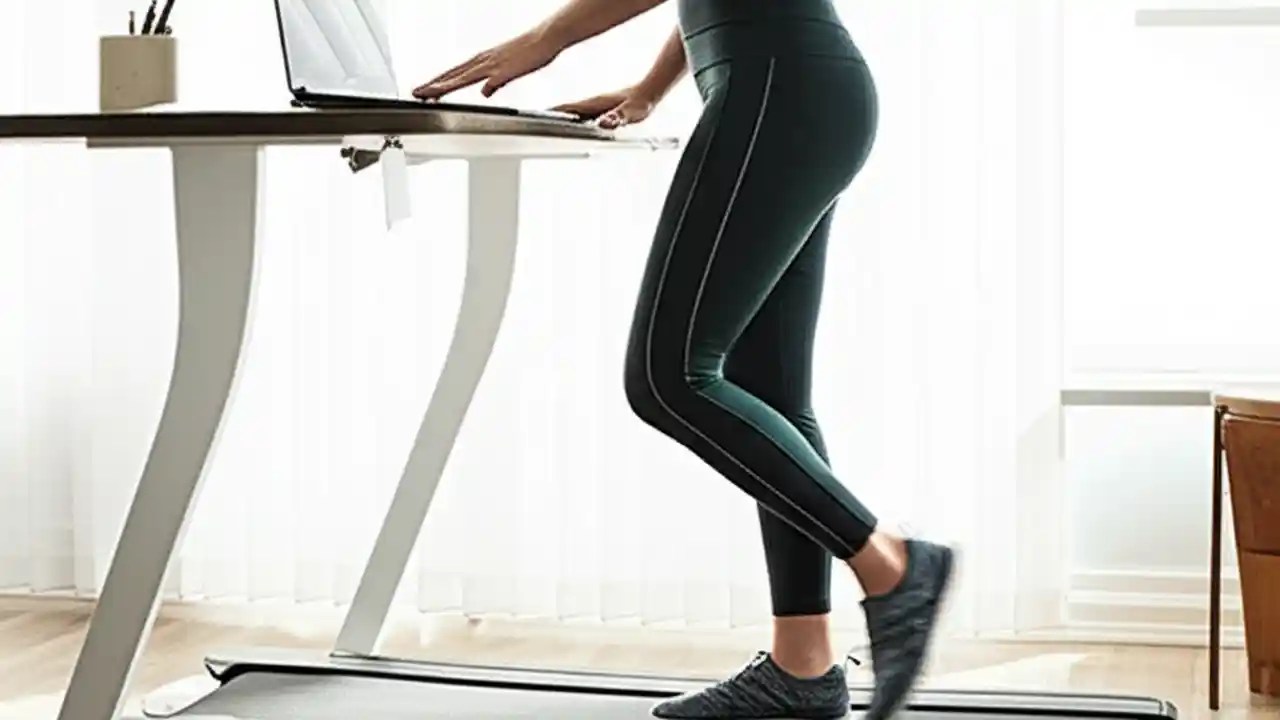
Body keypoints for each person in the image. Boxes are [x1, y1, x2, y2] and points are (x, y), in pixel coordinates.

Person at [413, 1, 954, 718]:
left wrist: (551, 37)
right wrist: (649, 87)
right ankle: (803, 669)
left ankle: (891, 564)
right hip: (800, 90)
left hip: (775, 89)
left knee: (668, 379)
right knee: (772, 394)